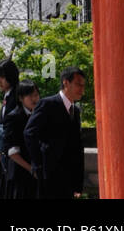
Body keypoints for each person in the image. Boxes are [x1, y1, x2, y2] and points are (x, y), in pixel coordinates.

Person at [24, 67, 87, 200]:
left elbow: (77, 147)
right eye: (78, 84)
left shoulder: (75, 111)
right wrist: (38, 165)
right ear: (66, 83)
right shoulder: (48, 104)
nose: (82, 89)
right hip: (49, 175)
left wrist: (78, 183)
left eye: (83, 85)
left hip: (68, 178)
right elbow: (29, 133)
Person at [2, 82, 40, 200]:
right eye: (30, 96)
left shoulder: (40, 114)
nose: (34, 99)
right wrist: (31, 169)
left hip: (37, 173)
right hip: (20, 173)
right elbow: (12, 152)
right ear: (21, 98)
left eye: (36, 95)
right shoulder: (13, 117)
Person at [0, 58, 19, 198]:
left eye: (2, 77)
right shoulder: (8, 96)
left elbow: (9, 130)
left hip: (12, 157)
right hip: (7, 155)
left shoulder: (16, 97)